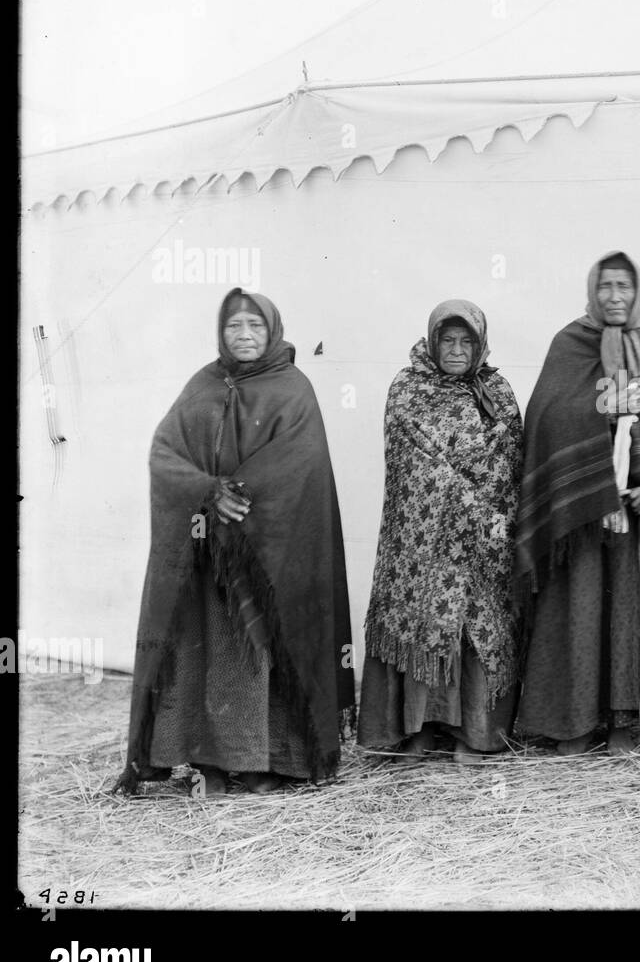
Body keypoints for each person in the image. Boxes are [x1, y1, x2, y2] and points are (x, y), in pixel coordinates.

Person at [115, 289, 354, 797]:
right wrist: (208, 492)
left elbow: (299, 465)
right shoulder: (202, 385)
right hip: (207, 561)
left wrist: (239, 498)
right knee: (211, 656)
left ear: (273, 331)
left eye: (255, 327)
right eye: (233, 327)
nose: (244, 336)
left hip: (268, 560)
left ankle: (271, 762)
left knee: (260, 654)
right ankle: (211, 761)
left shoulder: (293, 389)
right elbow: (165, 452)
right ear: (220, 333)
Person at [513, 252, 640, 755]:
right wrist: (600, 409)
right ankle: (570, 723)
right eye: (606, 287)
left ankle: (622, 723)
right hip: (582, 513)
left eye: (626, 287)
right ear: (591, 291)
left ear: (638, 293)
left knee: (629, 619)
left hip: (636, 517)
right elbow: (549, 419)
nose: (615, 297)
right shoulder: (568, 344)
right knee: (578, 610)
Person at [358, 301, 523, 764]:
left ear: (480, 345)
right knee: (423, 619)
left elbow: (507, 459)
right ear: (432, 342)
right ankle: (416, 730)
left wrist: (483, 511)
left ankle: (475, 733)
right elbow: (412, 465)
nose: (455, 349)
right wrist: (467, 499)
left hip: (482, 544)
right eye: (447, 340)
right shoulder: (407, 388)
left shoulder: (498, 391)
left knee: (476, 629)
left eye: (465, 341)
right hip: (422, 540)